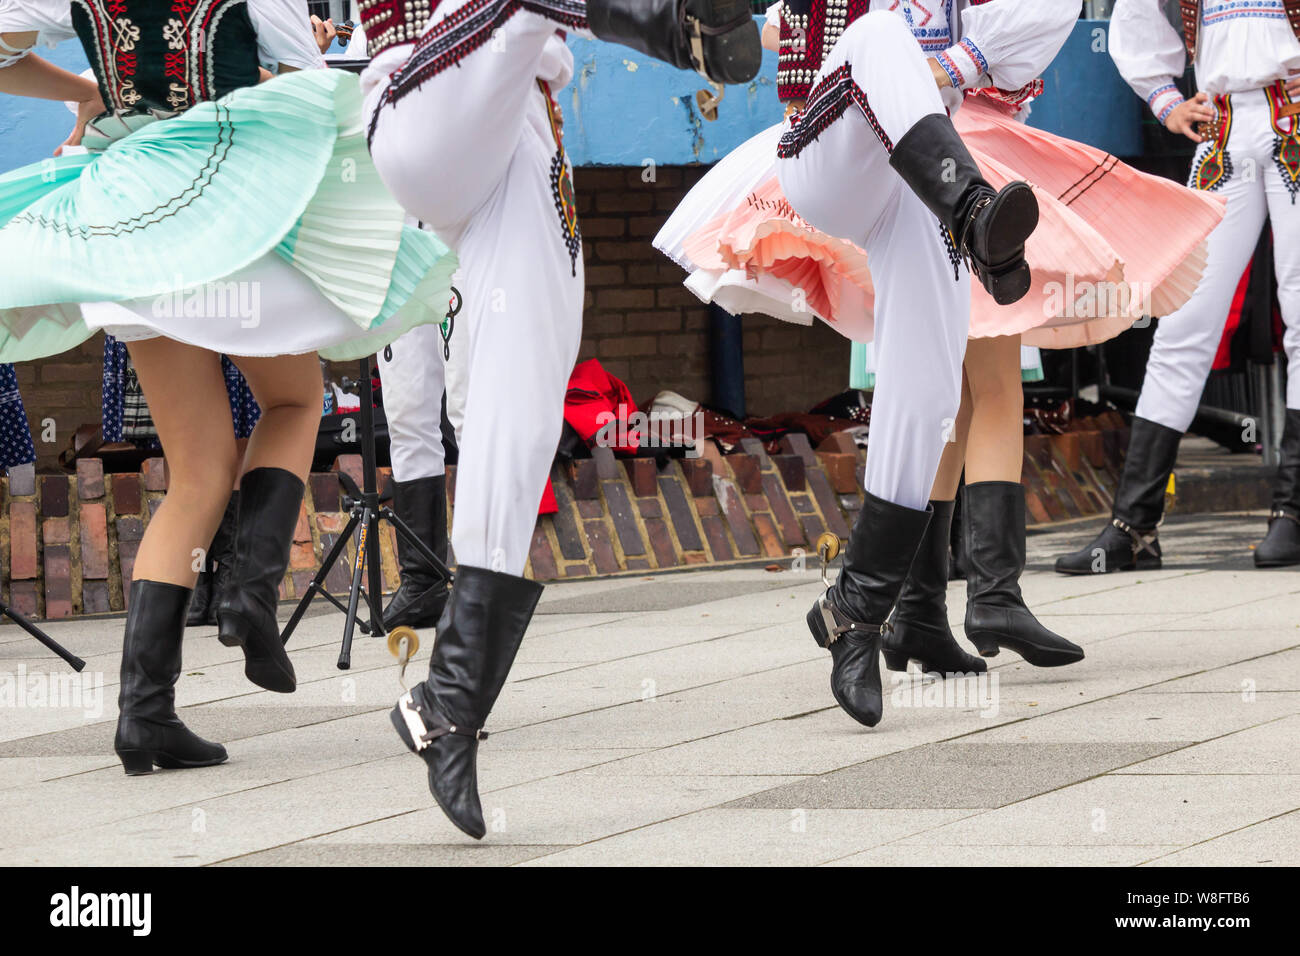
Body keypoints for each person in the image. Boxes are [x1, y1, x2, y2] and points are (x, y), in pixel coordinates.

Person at [657, 0, 1218, 720]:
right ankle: (976, 210)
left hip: (927, 186)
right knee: (877, 33)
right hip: (838, 151)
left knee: (925, 401)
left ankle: (861, 612)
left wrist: (956, 66)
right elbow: (765, 28)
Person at [0, 0, 458, 775]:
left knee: (199, 471)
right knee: (294, 399)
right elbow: (309, 90)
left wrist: (86, 93)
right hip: (223, 204)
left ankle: (145, 715)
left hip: (125, 216)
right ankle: (251, 588)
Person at [357, 0, 762, 838]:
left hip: (522, 126)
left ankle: (448, 707)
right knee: (427, 410)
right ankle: (673, 25)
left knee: (519, 420)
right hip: (422, 102)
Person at [1056, 0, 1300, 574]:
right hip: (1221, 125)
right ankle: (1133, 527)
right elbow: (1137, 16)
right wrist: (1164, 99)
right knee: (1183, 321)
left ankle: (1292, 511)